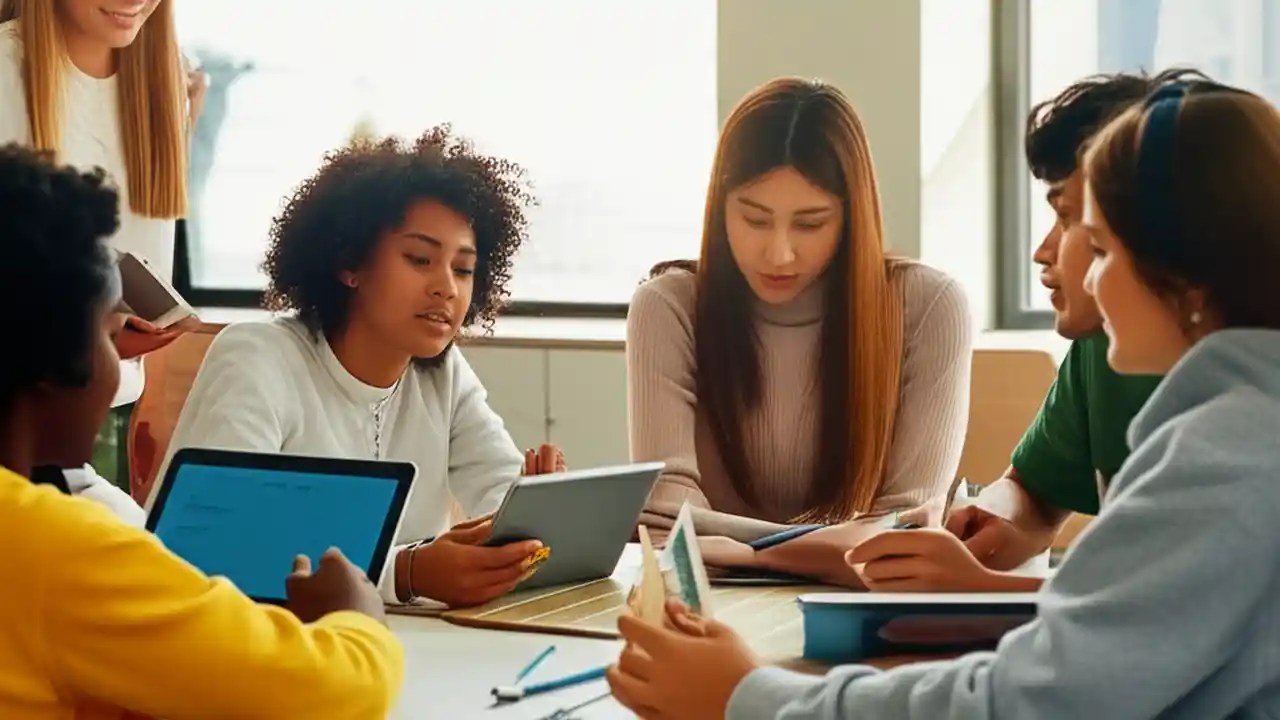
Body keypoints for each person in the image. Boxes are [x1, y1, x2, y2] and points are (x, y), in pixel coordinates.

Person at [606, 78, 1280, 720]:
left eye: (1098, 249)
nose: (1081, 276)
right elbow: (1115, 635)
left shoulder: (1221, 460)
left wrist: (747, 698)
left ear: (1186, 280)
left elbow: (1020, 702)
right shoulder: (1235, 433)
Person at [0, 143, 403, 719]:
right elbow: (336, 694)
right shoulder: (55, 548)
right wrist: (357, 616)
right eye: (110, 337)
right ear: (52, 362)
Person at [154, 126, 564, 609]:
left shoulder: (443, 374)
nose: (446, 288)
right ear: (350, 263)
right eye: (420, 258)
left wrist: (537, 518)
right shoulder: (257, 357)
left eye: (463, 268)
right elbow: (224, 539)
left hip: (389, 646)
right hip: (249, 642)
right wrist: (407, 572)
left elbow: (500, 496)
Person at [854, 69, 1206, 593]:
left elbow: (1170, 608)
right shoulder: (1108, 342)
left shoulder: (1234, 403)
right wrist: (989, 521)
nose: (1044, 251)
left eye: (1070, 218)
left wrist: (982, 589)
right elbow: (1036, 493)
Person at [626, 78, 972, 576]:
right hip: (708, 596)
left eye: (810, 224)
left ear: (853, 219)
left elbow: (905, 531)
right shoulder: (668, 306)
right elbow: (666, 524)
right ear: (719, 209)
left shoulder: (932, 307)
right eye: (754, 219)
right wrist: (827, 547)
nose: (780, 253)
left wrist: (745, 551)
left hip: (858, 600)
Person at [0, 0, 193, 522]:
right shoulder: (7, 72)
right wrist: (89, 332)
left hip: (103, 416)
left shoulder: (162, 80)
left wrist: (116, 334)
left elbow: (142, 260)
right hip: (28, 432)